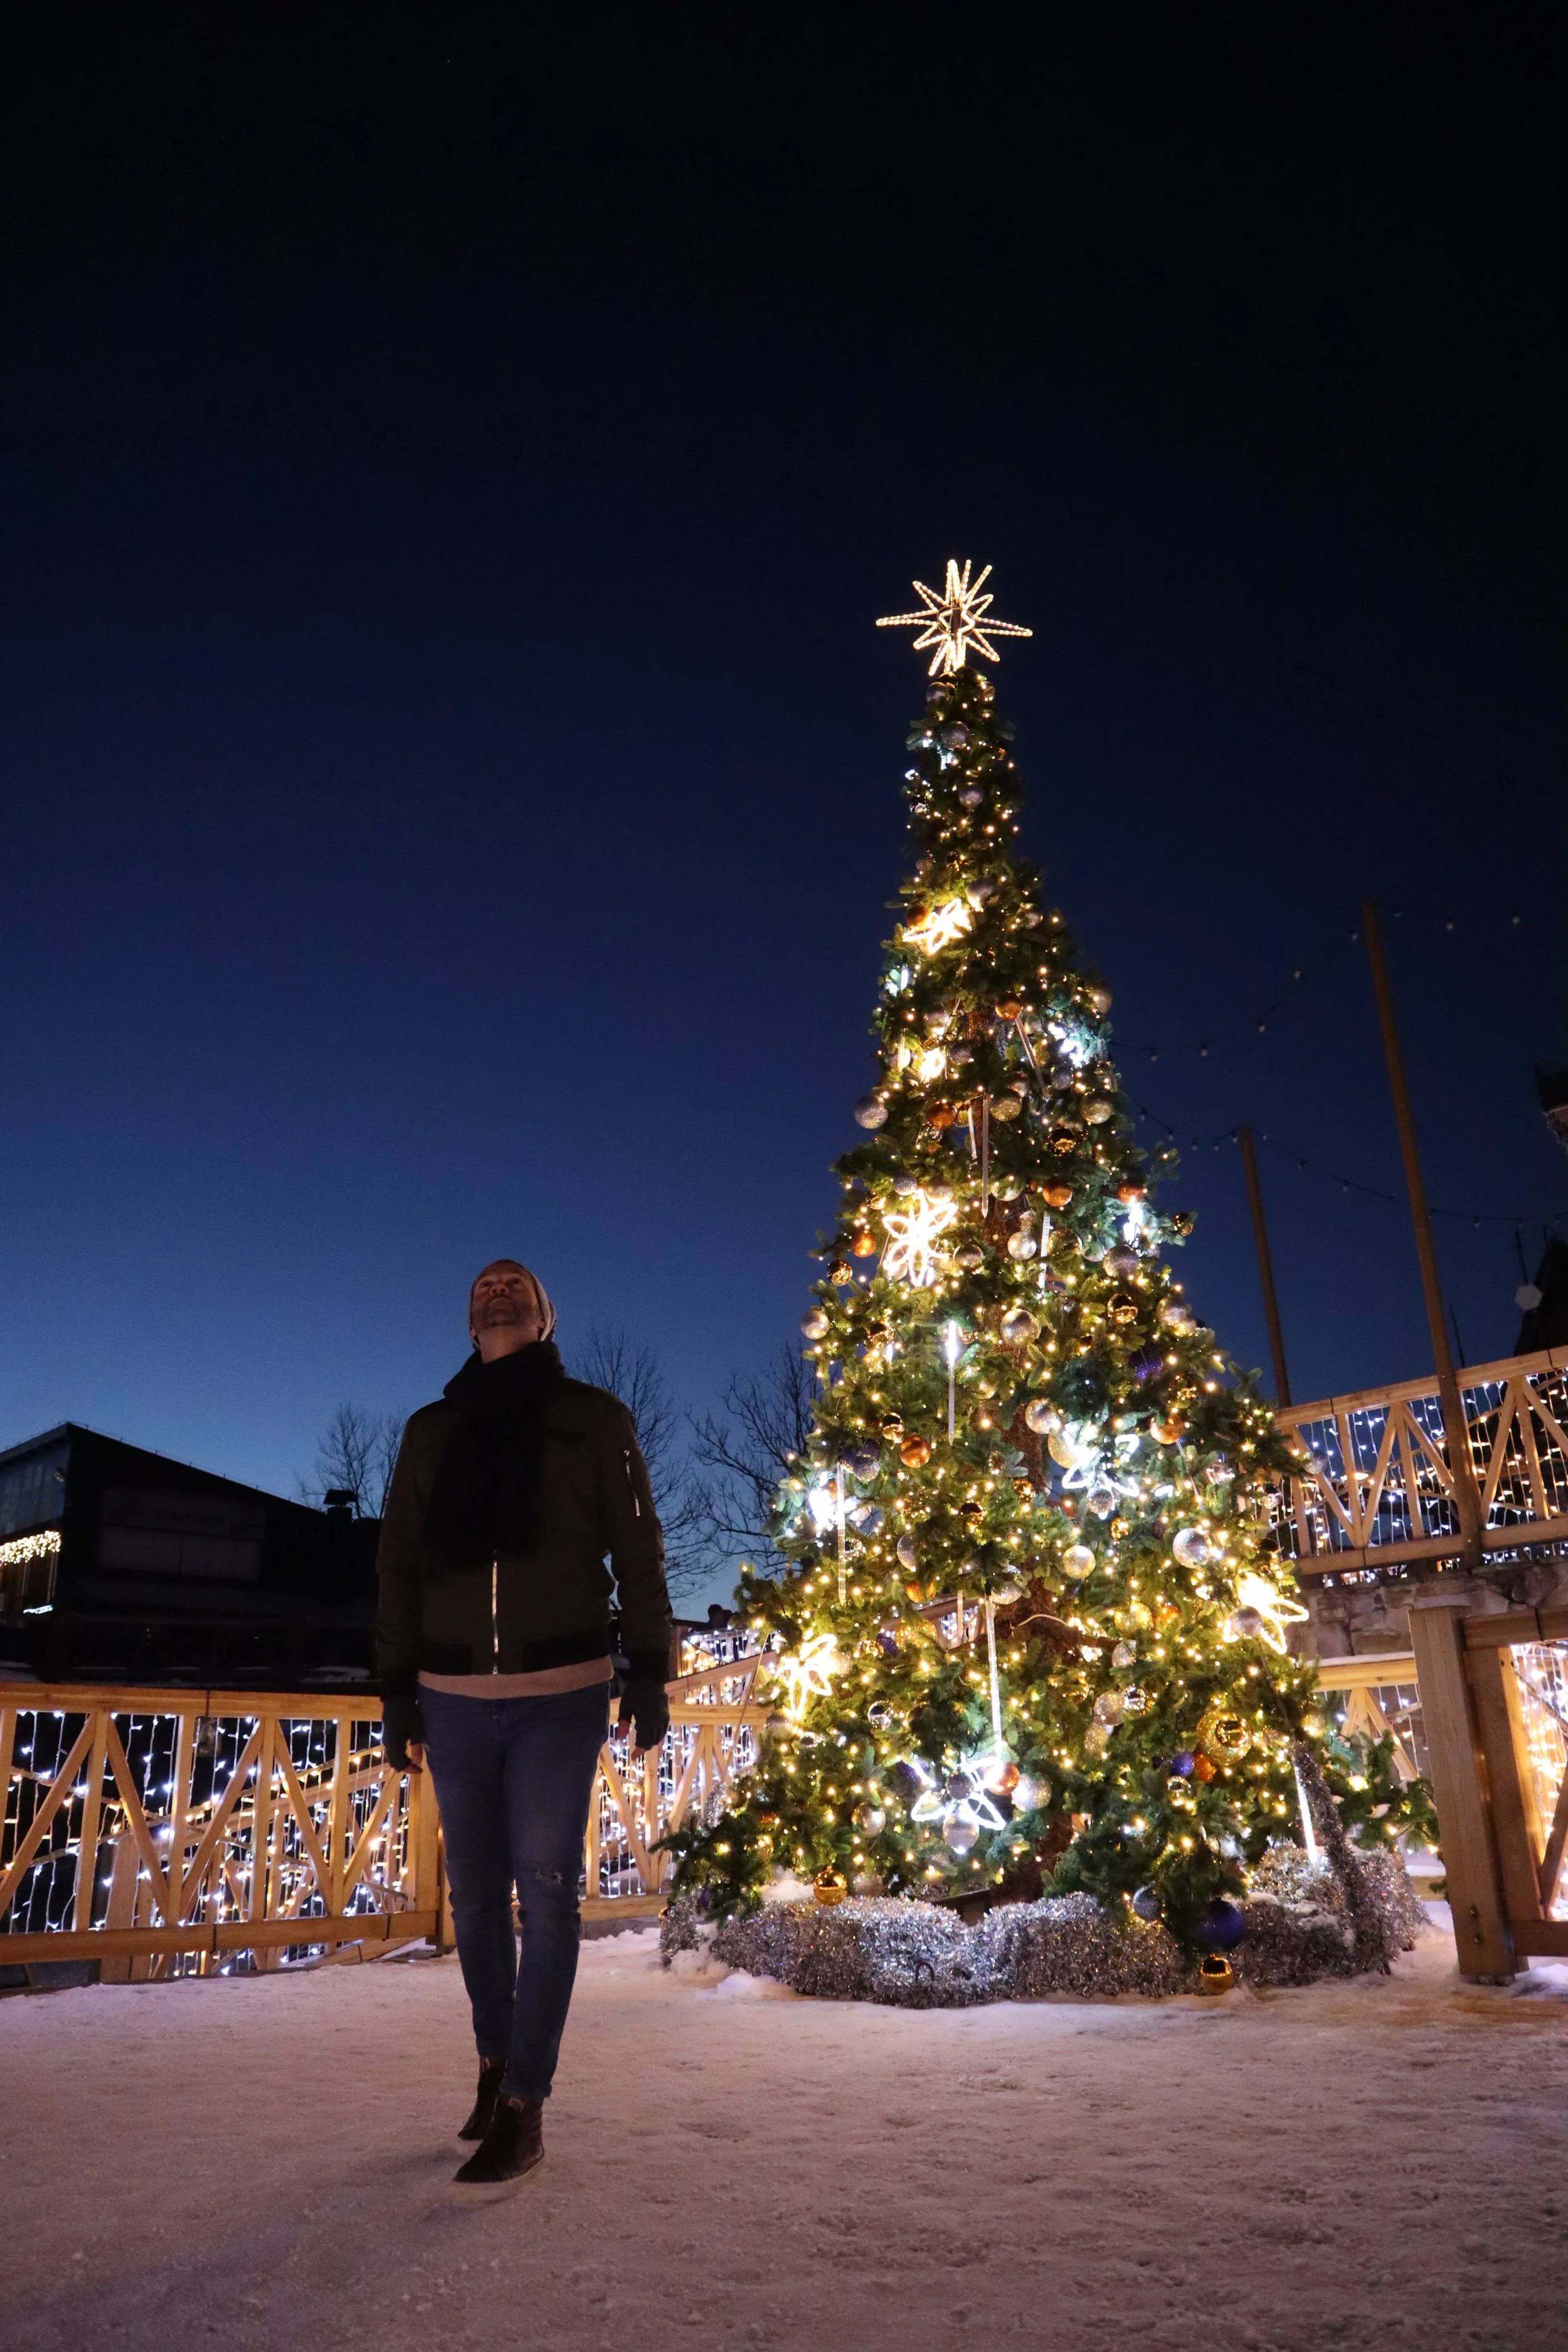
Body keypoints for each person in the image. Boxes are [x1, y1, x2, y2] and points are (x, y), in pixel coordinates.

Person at [376, 1259, 673, 2186]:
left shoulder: (594, 1419)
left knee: (545, 1891)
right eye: (485, 1285)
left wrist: (652, 1667)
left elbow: (638, 1547)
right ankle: (494, 2062)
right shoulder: (432, 1431)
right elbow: (397, 1564)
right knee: (473, 1900)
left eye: (518, 1285)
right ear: (471, 1320)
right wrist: (395, 1690)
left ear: (545, 1319)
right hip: (454, 1694)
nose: (498, 1288)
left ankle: (526, 2103)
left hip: (560, 1689)